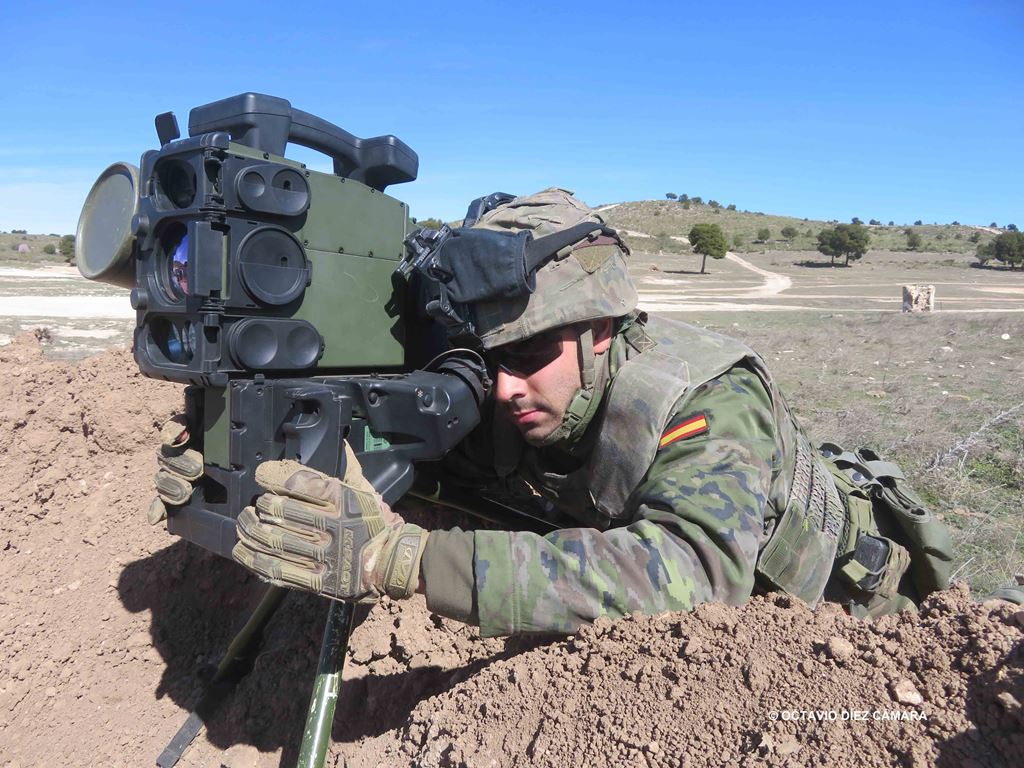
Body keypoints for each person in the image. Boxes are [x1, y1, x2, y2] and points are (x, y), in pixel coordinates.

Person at [157, 188, 957, 637]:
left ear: (601, 330)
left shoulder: (706, 399)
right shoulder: (521, 388)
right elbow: (439, 475)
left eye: (530, 356)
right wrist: (250, 451)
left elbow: (693, 575)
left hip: (861, 626)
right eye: (487, 360)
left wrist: (400, 561)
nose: (504, 389)